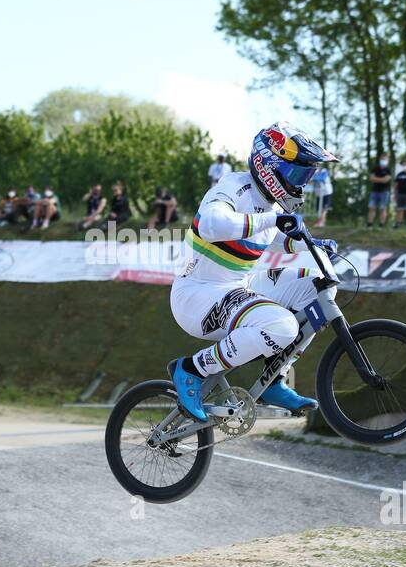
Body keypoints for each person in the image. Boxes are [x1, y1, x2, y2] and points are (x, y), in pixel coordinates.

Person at [168, 122, 340, 422]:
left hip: (238, 285)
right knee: (284, 326)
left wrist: (311, 244)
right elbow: (211, 225)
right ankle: (192, 369)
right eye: (297, 174)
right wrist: (273, 219)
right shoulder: (233, 187)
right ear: (269, 166)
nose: (300, 185)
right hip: (199, 296)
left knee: (320, 289)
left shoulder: (267, 204)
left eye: (306, 176)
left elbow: (275, 237)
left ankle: (274, 379)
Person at [367, 153, 392, 228]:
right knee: (371, 208)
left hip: (384, 192)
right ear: (380, 160)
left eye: (385, 159)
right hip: (374, 191)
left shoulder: (388, 170)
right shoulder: (375, 168)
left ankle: (381, 225)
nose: (383, 160)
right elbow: (371, 178)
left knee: (382, 208)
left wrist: (376, 179)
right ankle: (369, 225)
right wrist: (382, 179)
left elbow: (386, 180)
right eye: (382, 159)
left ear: (387, 160)